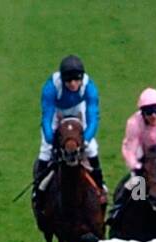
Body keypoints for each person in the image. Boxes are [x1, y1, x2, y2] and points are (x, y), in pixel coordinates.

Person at [108, 88, 156, 226]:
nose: (153, 116)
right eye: (149, 112)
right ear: (142, 113)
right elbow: (130, 149)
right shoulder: (134, 123)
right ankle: (117, 211)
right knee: (133, 183)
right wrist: (137, 168)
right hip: (143, 156)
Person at [34, 55, 104, 200]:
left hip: (79, 109)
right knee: (46, 149)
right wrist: (50, 138)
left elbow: (93, 117)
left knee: (91, 148)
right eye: (69, 81)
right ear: (62, 79)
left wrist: (86, 139)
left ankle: (100, 185)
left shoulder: (90, 88)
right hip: (57, 110)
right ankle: (38, 189)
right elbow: (47, 117)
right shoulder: (51, 88)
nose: (73, 84)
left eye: (76, 80)